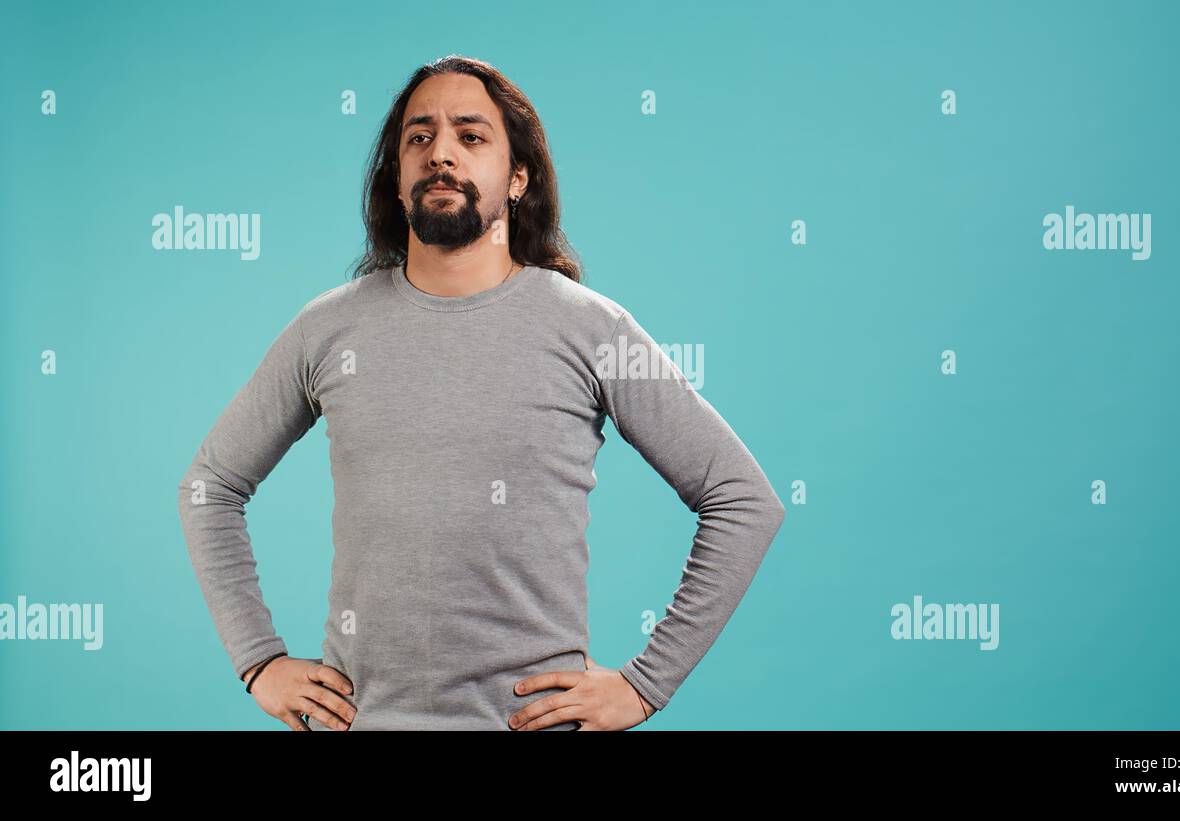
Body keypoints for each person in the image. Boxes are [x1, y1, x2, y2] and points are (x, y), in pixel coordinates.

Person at [176, 55, 785, 731]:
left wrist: (644, 686)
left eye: (471, 136)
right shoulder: (327, 328)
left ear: (517, 175)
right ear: (395, 176)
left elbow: (742, 499)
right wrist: (259, 660)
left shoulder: (590, 328)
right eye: (419, 137)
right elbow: (211, 485)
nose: (441, 153)